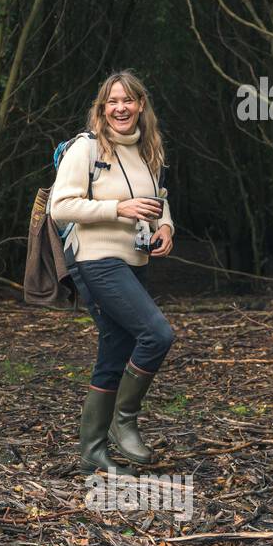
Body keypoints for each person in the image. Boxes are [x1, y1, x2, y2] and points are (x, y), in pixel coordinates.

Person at [49, 71, 176, 474]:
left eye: (128, 100)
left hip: (134, 260)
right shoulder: (86, 148)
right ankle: (124, 420)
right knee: (157, 333)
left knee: (116, 348)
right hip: (96, 258)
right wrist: (117, 208)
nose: (120, 108)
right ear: (102, 108)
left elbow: (158, 198)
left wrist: (165, 226)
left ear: (141, 105)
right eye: (112, 101)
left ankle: (92, 452)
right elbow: (60, 207)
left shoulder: (148, 149)